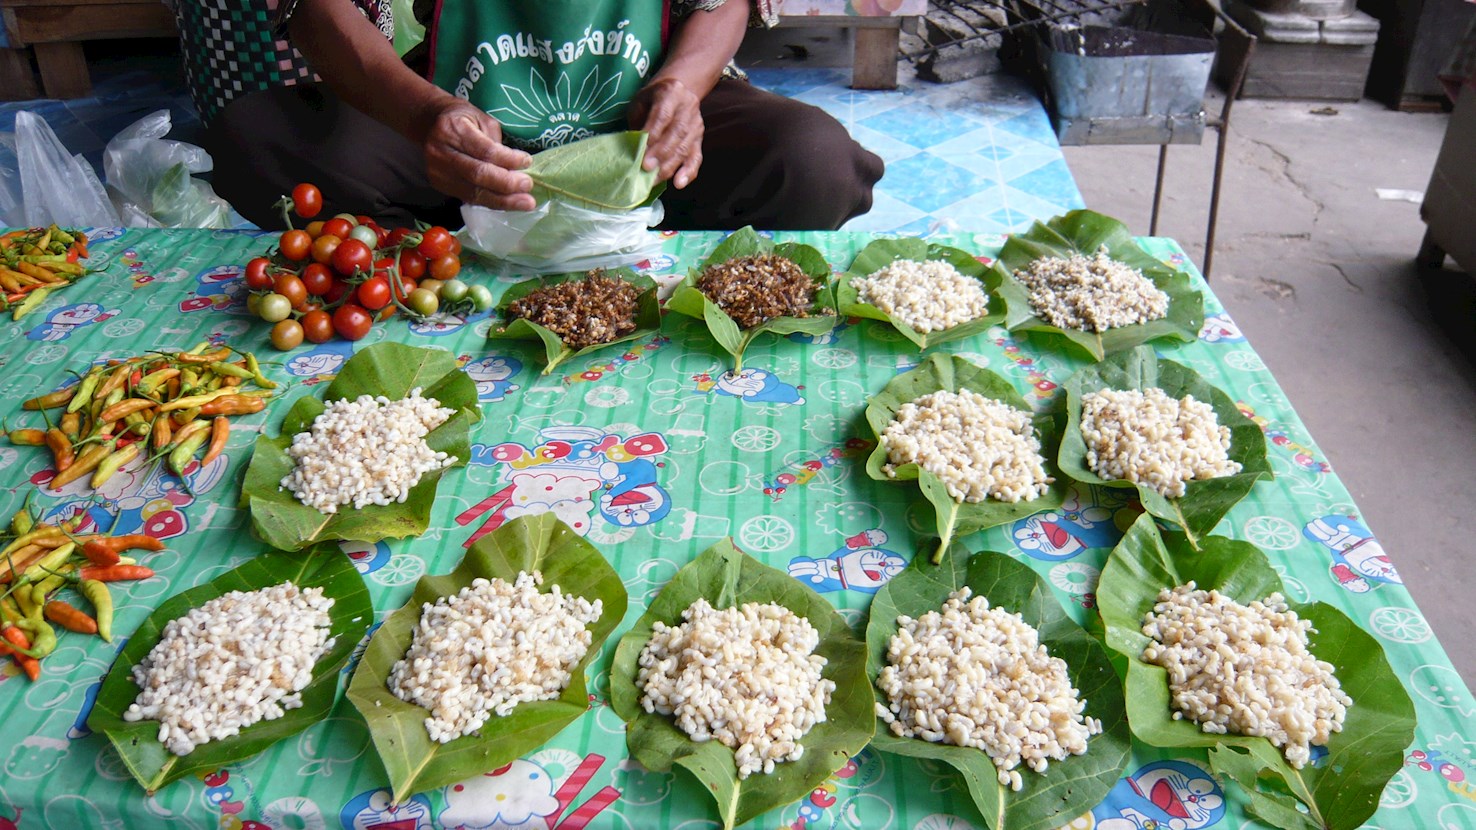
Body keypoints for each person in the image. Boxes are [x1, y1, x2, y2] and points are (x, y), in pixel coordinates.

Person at [203, 0, 884, 231]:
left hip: (638, 128)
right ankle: (444, 253)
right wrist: (426, 116)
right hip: (462, 138)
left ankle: (632, 240)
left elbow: (720, 1)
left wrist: (681, 86)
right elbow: (320, 14)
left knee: (814, 163)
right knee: (254, 139)